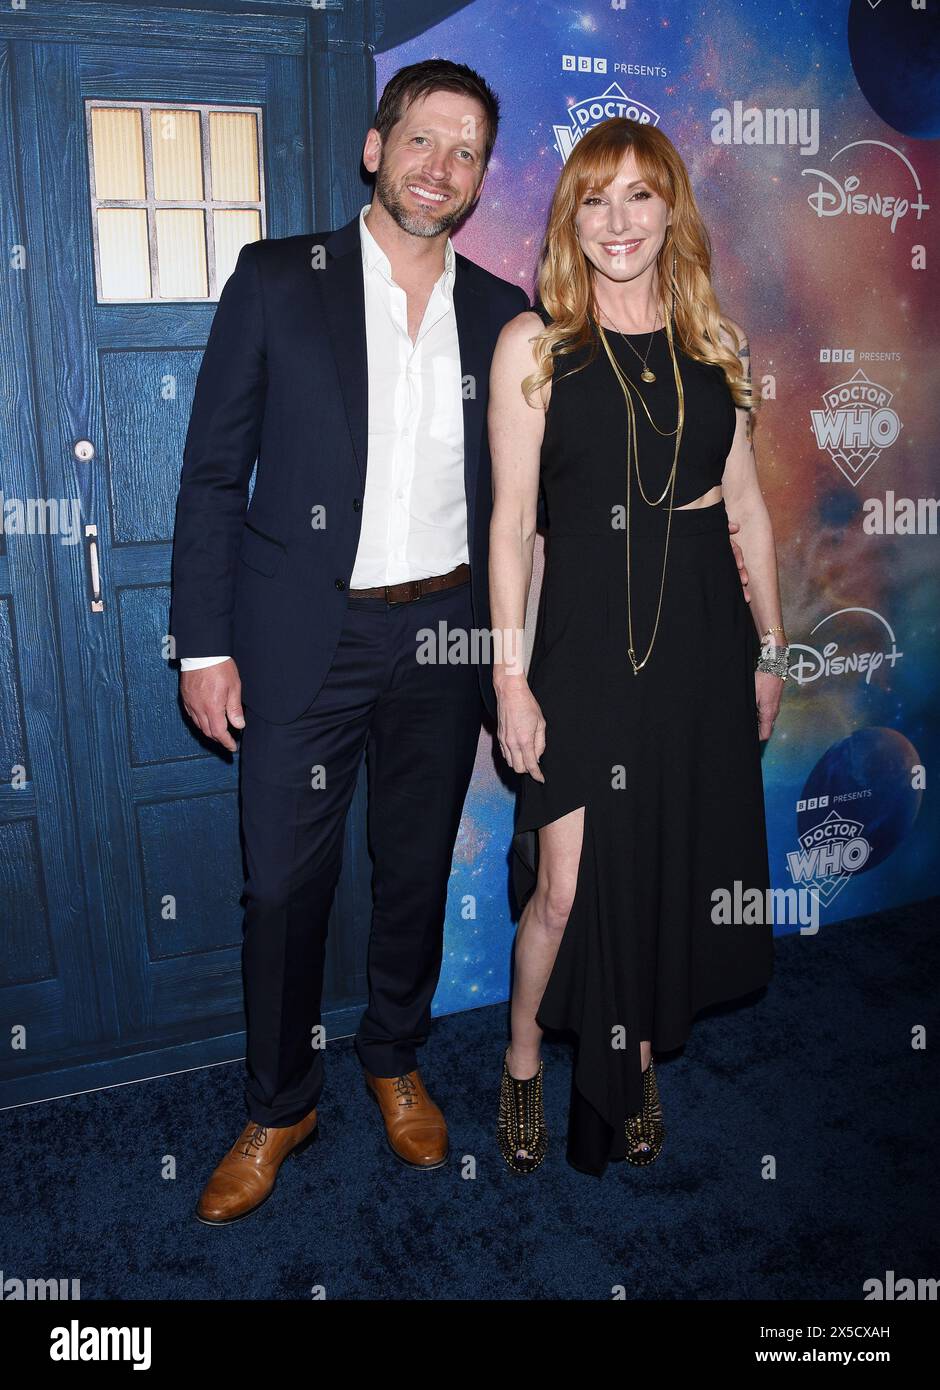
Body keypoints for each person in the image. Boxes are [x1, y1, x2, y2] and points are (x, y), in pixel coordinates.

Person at [169, 60, 529, 1225]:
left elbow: (524, 504)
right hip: (297, 639)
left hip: (442, 632)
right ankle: (279, 1104)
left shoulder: (501, 313)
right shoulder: (280, 280)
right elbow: (215, 472)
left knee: (414, 870)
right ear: (375, 149)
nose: (441, 166)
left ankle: (392, 1055)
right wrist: (202, 644)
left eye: (465, 151)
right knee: (280, 886)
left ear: (481, 178)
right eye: (422, 139)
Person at [487, 116, 787, 1177]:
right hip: (578, 651)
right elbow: (513, 524)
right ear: (571, 216)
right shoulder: (535, 344)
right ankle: (523, 1052)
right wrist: (508, 677)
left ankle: (637, 1060)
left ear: (671, 211)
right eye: (594, 198)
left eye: (639, 196)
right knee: (565, 888)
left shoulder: (718, 345)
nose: (618, 220)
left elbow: (745, 510)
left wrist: (770, 652)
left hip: (701, 644)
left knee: (668, 871)